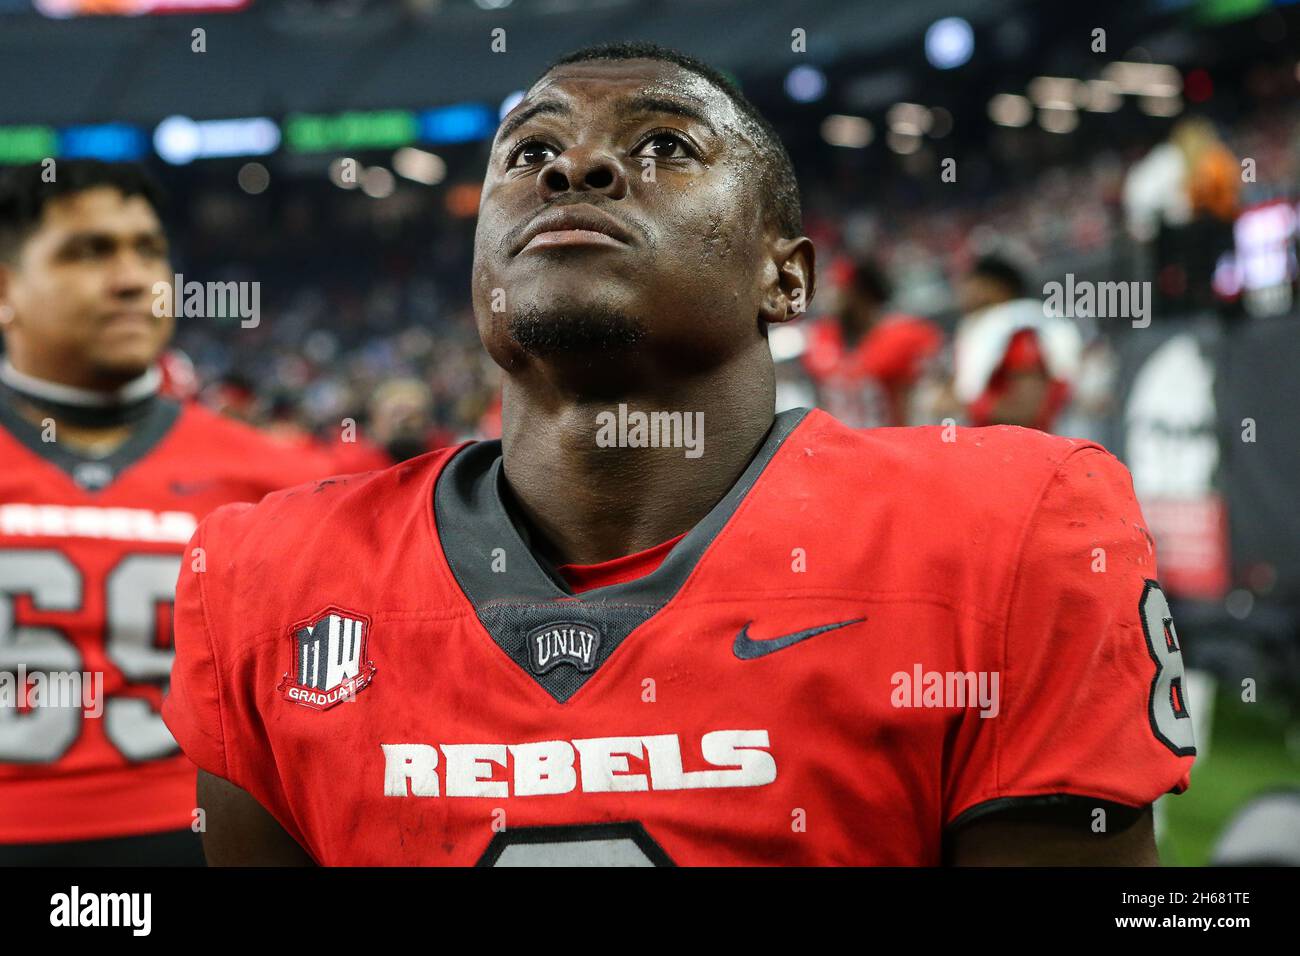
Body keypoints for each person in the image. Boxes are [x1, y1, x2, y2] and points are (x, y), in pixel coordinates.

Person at [164, 42, 1195, 866]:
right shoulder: (269, 574)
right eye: (528, 153)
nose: (576, 165)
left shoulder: (1006, 530)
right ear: (479, 264)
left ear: (784, 277)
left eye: (664, 144)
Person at [0, 160, 333, 864]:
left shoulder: (281, 479)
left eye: (147, 250)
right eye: (87, 251)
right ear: (5, 288)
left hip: (206, 845)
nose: (131, 279)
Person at [800, 256, 942, 427]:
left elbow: (928, 403)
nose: (830, 297)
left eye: (838, 289)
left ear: (862, 294)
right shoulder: (822, 336)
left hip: (890, 443)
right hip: (841, 446)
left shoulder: (903, 336)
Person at [950, 254, 1081, 432]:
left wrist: (965, 407)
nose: (965, 291)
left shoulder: (1018, 335)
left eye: (973, 282)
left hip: (1024, 452)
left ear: (998, 288)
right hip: (997, 450)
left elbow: (1026, 411)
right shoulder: (982, 333)